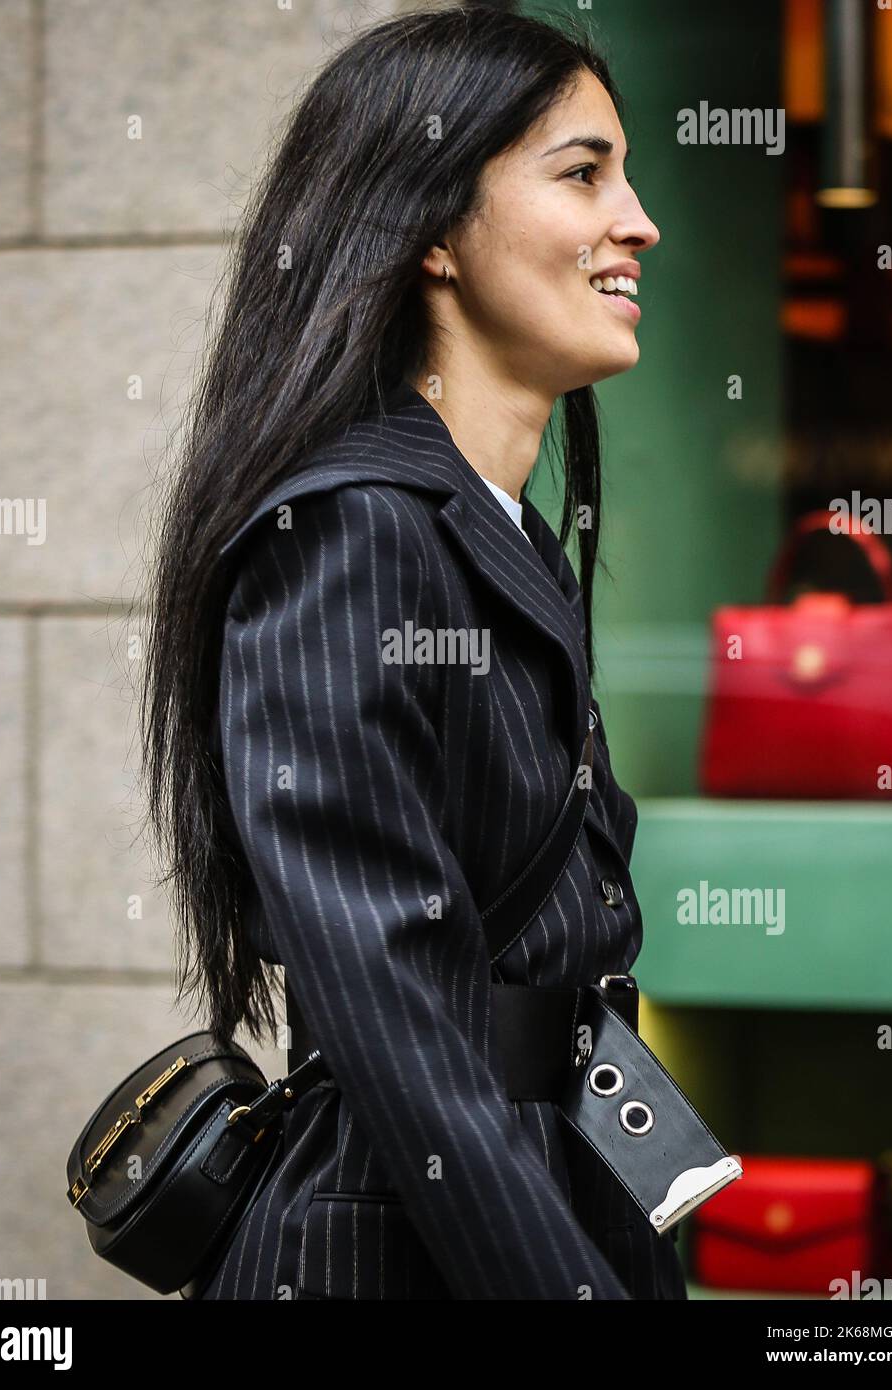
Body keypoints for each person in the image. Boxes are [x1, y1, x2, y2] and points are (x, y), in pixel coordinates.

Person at [140, 3, 681, 1300]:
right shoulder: (352, 537)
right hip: (394, 1246)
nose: (639, 221)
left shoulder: (498, 536)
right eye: (582, 172)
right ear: (433, 228)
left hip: (539, 1191)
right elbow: (404, 1027)